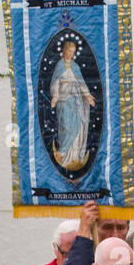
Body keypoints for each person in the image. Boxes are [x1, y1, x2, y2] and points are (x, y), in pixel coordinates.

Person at [50, 39, 95, 172]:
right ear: (64, 50)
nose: (70, 54)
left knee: (77, 125)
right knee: (66, 126)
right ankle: (64, 153)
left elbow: (81, 83)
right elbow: (55, 82)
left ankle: (75, 156)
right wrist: (55, 96)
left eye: (73, 52)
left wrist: (87, 96)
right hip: (64, 100)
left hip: (75, 101)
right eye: (68, 51)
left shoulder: (75, 67)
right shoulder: (59, 66)